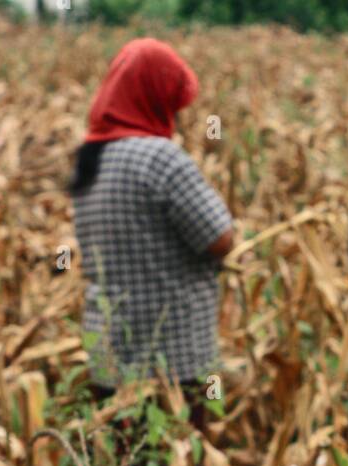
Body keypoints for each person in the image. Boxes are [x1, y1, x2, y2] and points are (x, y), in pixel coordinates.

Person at [71, 38, 233, 424]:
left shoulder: (90, 160)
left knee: (126, 465)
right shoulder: (160, 157)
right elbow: (219, 238)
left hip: (110, 350)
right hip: (175, 357)